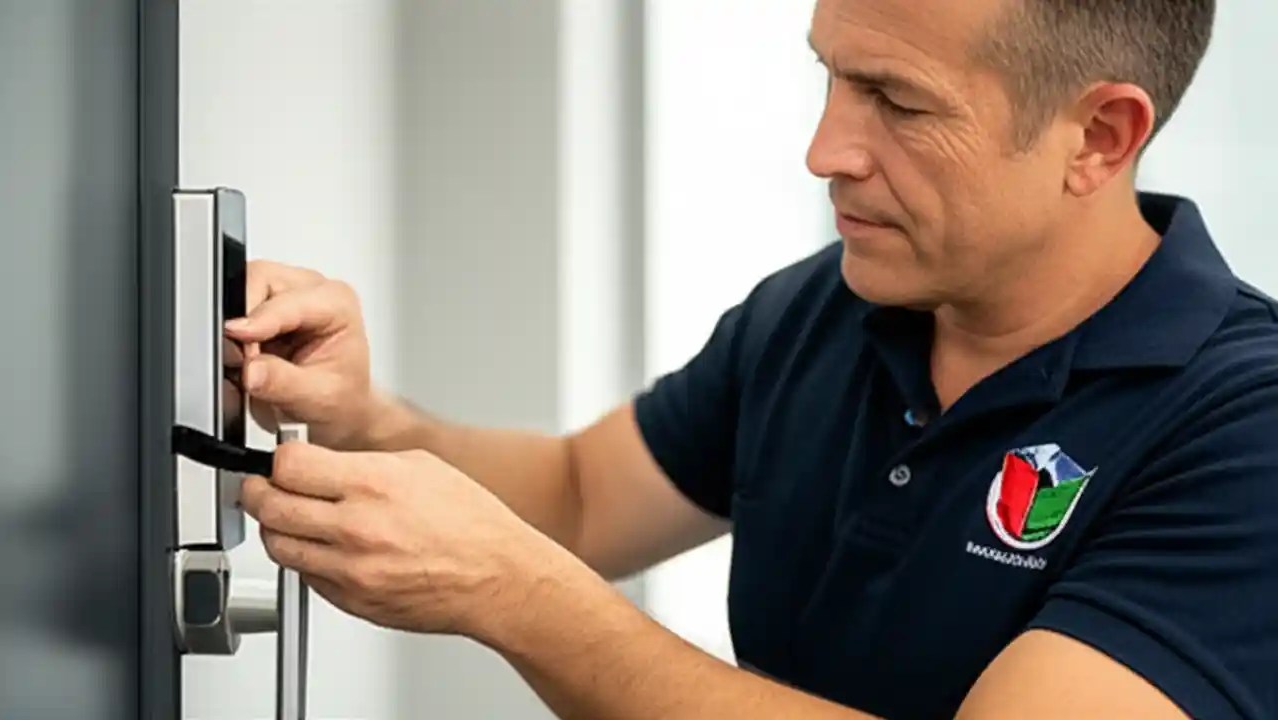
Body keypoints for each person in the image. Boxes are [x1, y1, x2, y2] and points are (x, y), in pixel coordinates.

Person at [228, 0, 1278, 717]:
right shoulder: (826, 306)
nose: (824, 150)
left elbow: (536, 560)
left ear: (1097, 136)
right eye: (830, 77)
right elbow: (582, 499)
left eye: (898, 104)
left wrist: (515, 596)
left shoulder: (1243, 428)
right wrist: (365, 419)